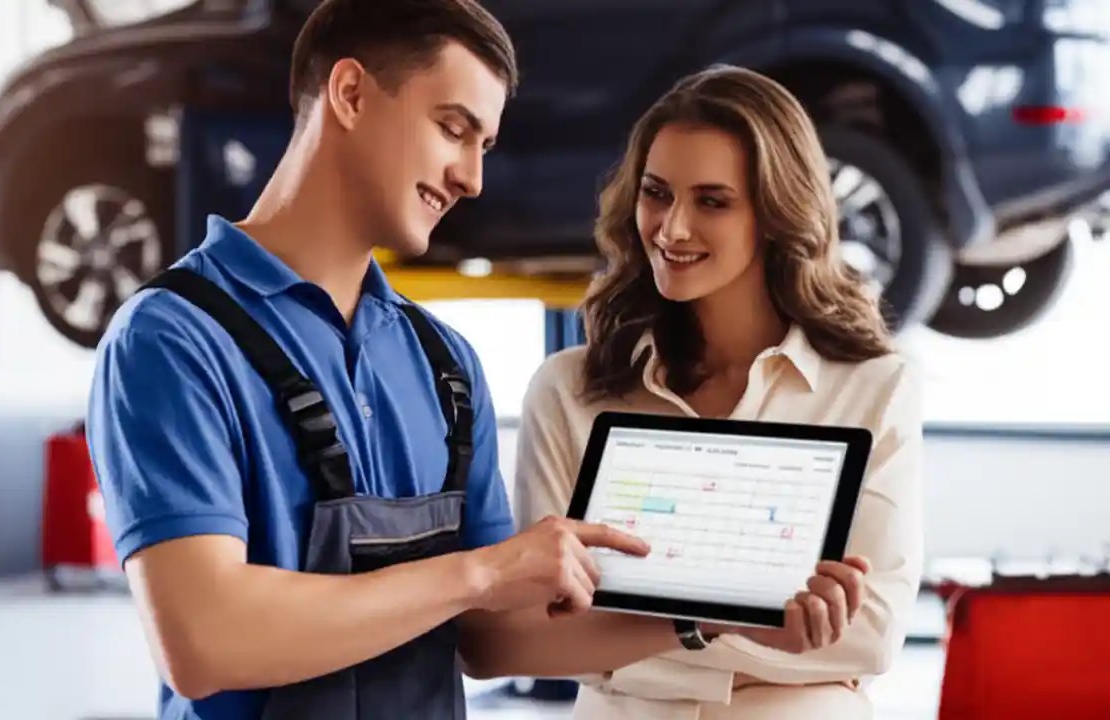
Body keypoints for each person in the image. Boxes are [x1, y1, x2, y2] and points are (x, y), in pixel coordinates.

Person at [87, 2, 871, 717]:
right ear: (351, 94)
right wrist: (483, 572)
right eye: (453, 128)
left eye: (484, 145)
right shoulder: (175, 339)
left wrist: (709, 619)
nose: (471, 177)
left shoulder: (441, 364)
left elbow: (493, 640)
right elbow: (206, 642)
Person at [511, 65, 925, 720]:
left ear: (776, 215)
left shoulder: (875, 387)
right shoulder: (567, 390)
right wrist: (749, 625)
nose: (672, 228)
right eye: (656, 193)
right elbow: (536, 634)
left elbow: (869, 635)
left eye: (712, 201)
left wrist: (622, 642)